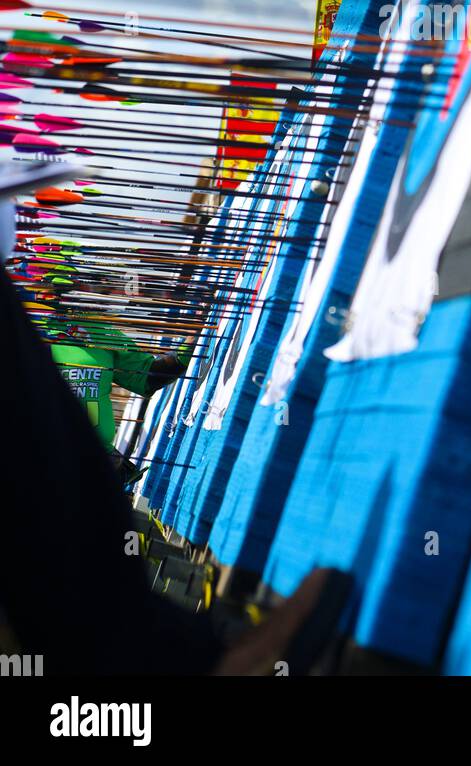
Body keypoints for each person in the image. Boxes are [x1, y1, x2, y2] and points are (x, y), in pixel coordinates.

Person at [0, 262, 351, 674]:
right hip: (60, 470)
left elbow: (147, 377)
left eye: (79, 286)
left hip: (87, 466)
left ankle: (168, 652)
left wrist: (188, 347)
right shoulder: (33, 333)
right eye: (60, 288)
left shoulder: (97, 334)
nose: (68, 297)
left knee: (86, 551)